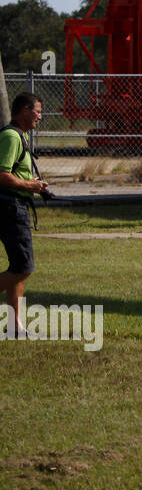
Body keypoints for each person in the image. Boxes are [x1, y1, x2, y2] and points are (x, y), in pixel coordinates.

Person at [0, 93, 48, 340]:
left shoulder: (22, 136)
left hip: (16, 205)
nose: (40, 116)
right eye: (37, 111)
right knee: (24, 268)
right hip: (9, 207)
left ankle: (14, 327)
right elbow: (2, 174)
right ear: (24, 111)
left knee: (18, 267)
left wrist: (35, 185)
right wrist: (29, 186)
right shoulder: (10, 136)